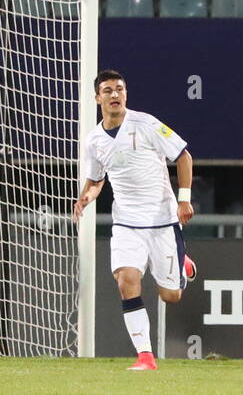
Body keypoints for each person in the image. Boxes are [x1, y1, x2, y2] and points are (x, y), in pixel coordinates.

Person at [72, 70, 197, 371]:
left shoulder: (147, 123)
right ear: (97, 97)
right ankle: (145, 357)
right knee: (126, 280)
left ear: (126, 94)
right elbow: (96, 178)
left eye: (119, 89)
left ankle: (182, 266)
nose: (114, 95)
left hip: (162, 220)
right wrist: (86, 196)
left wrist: (184, 198)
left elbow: (183, 156)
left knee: (170, 296)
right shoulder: (94, 140)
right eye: (108, 90)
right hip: (127, 223)